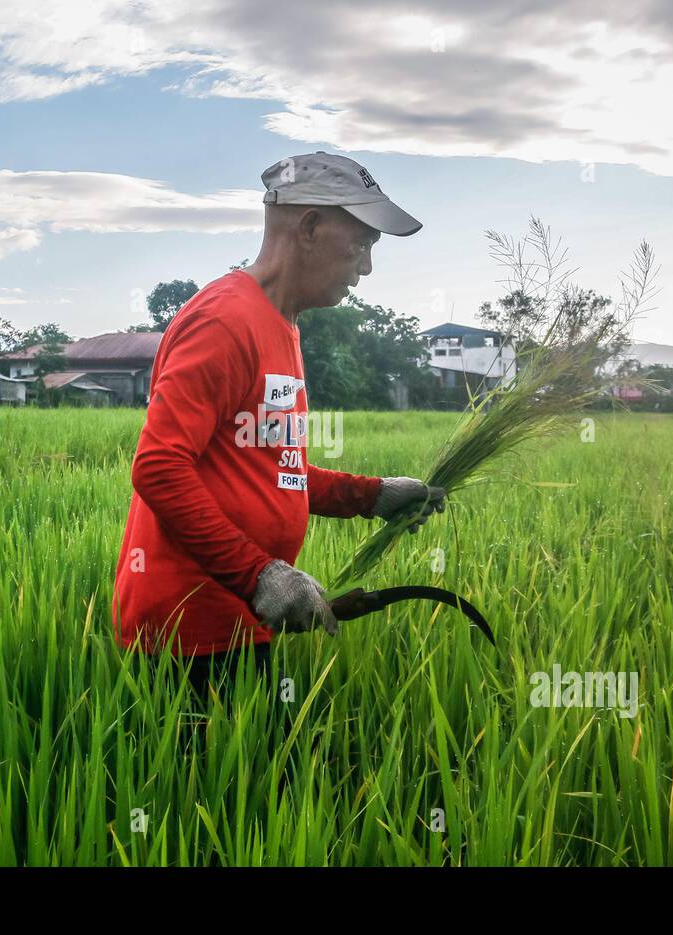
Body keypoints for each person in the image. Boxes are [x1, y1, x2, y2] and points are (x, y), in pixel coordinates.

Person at [112, 151, 447, 703]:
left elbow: (271, 470)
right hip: (189, 631)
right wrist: (259, 575)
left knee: (266, 779)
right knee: (230, 785)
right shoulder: (225, 321)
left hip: (239, 618)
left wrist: (374, 496)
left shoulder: (281, 324)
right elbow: (158, 466)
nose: (365, 269)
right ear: (310, 227)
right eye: (361, 245)